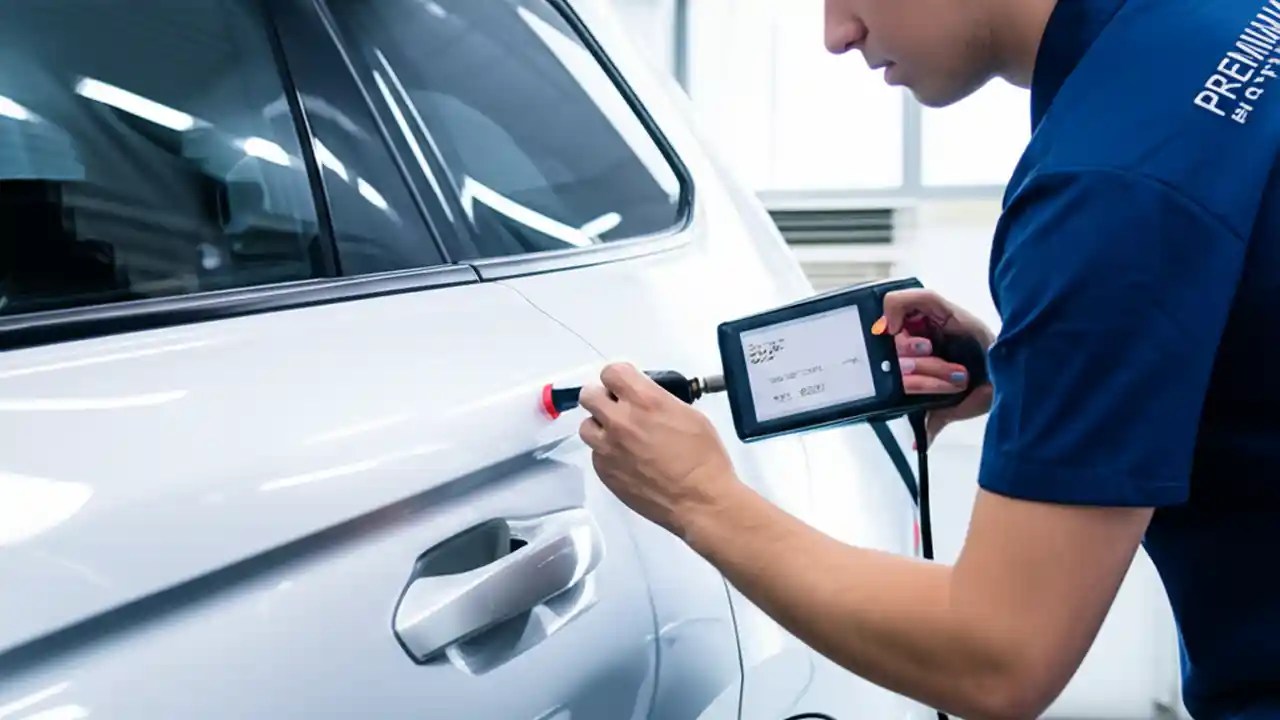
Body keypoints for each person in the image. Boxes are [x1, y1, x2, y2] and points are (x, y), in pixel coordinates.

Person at [575, 0, 1280, 717]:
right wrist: (1033, 375)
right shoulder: (1223, 24)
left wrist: (698, 497)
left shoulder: (1107, 190)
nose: (835, 35)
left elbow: (996, 658)